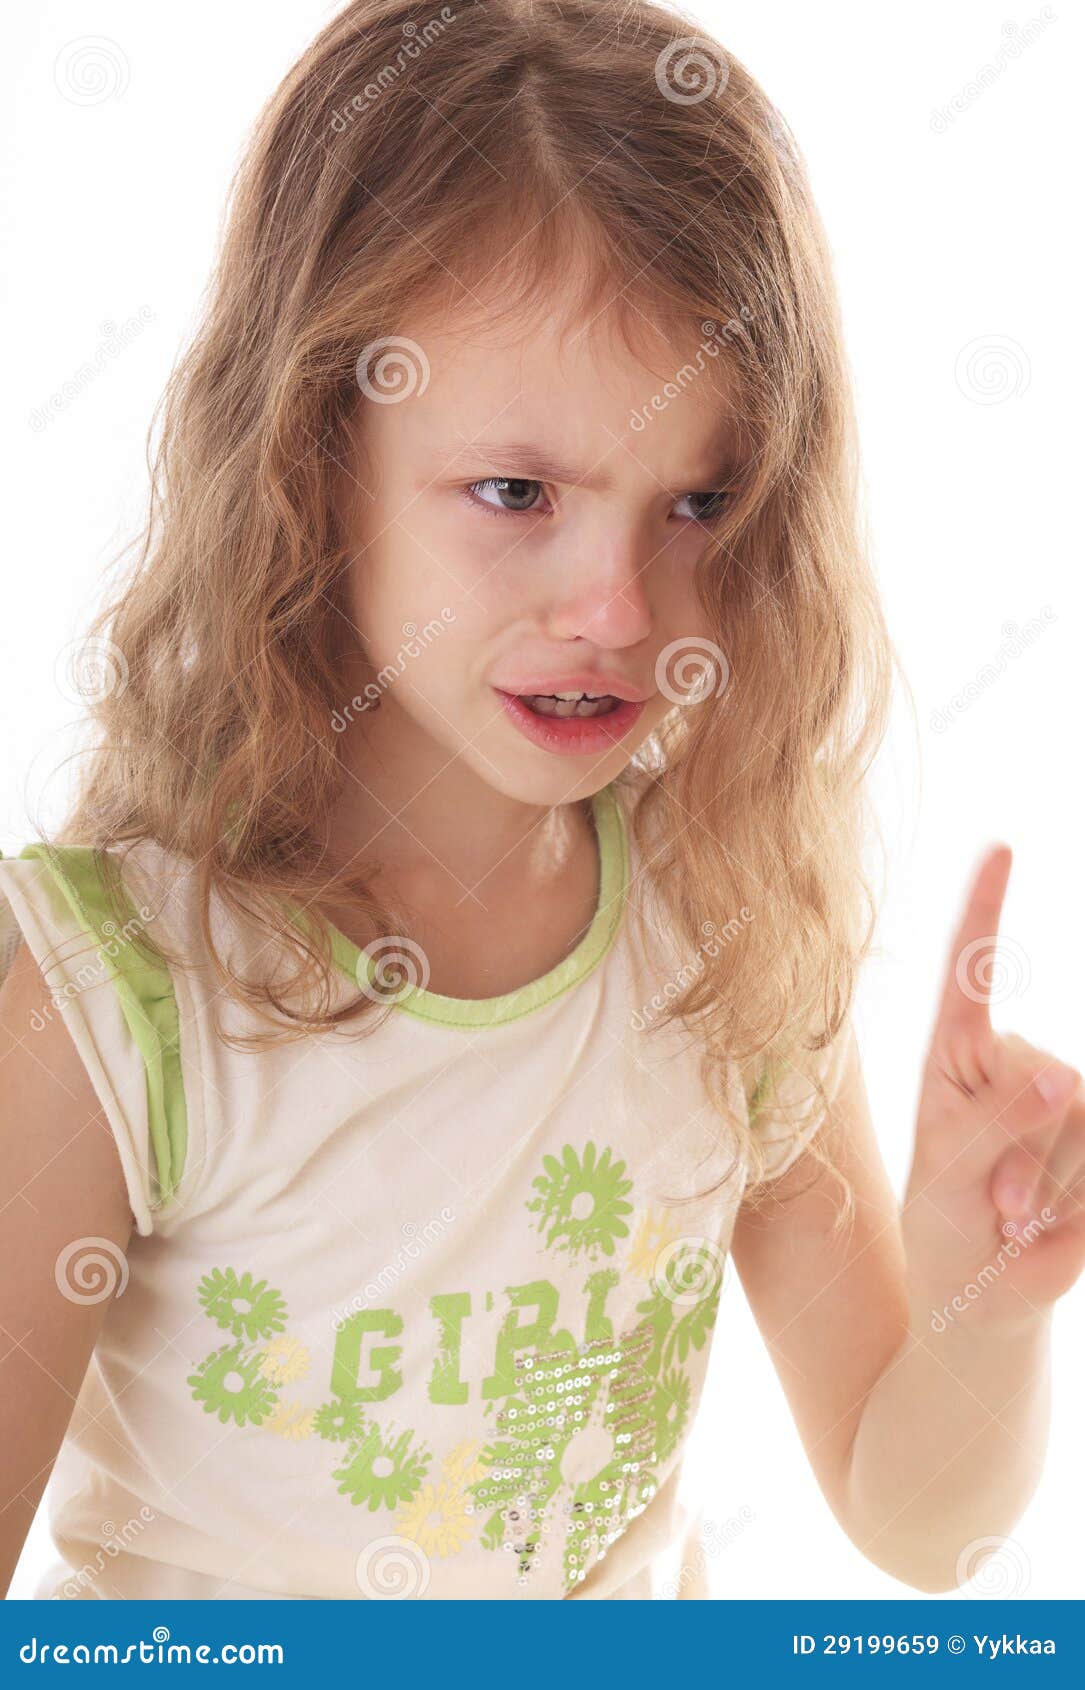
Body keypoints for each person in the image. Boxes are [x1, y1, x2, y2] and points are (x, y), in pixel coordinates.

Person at [2, 0, 1082, 1602]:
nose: (620, 606)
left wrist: (987, 1284)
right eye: (516, 493)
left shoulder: (714, 914)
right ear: (315, 460)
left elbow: (918, 1521)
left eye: (697, 502)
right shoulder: (108, 993)